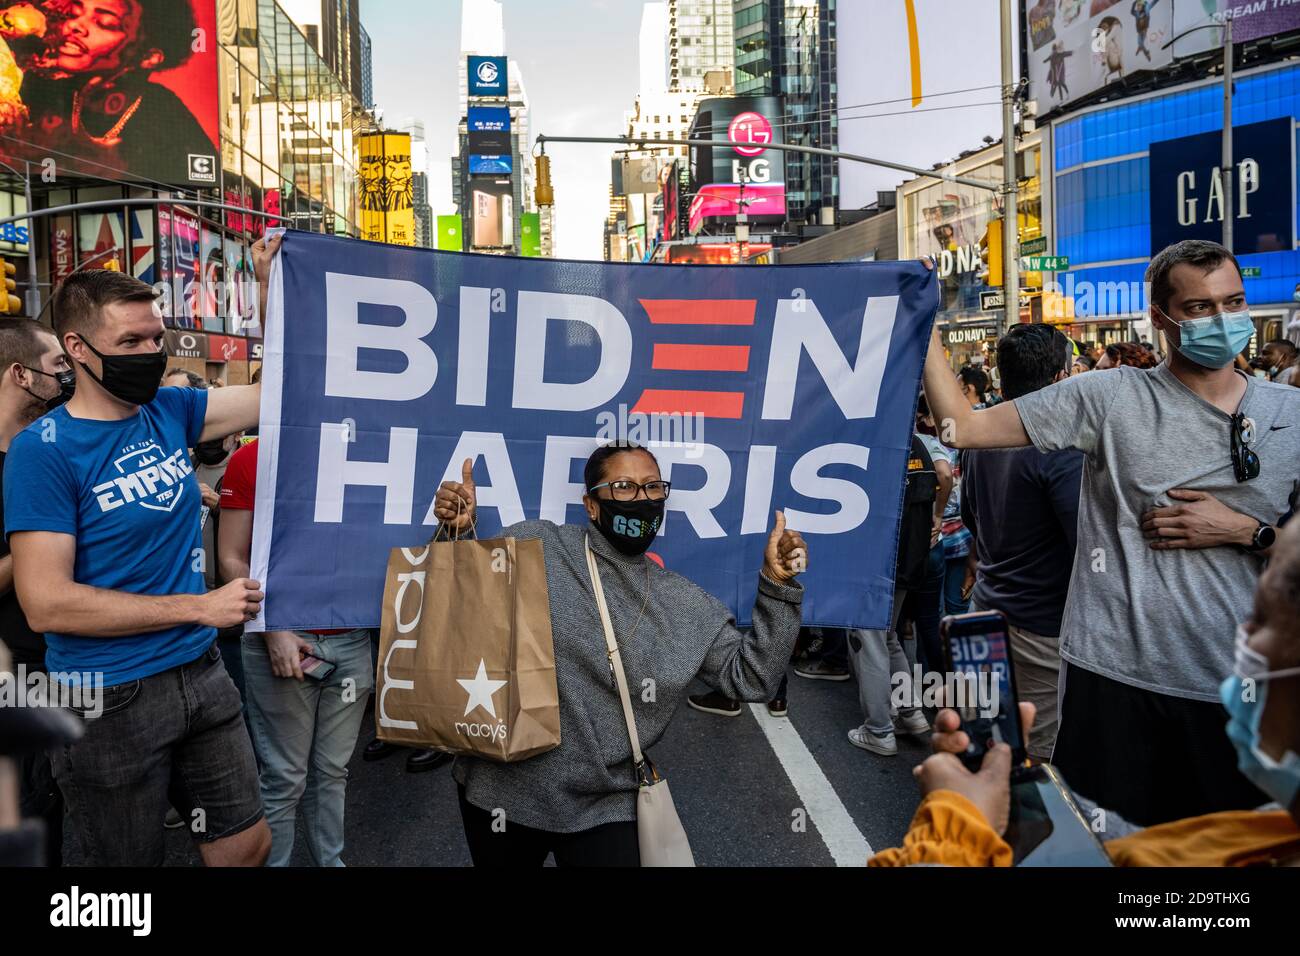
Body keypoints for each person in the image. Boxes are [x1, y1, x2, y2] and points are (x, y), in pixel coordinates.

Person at [920, 239, 1300, 826]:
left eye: (1234, 302)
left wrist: (1247, 531)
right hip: (1115, 679)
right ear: (1161, 319)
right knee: (1106, 850)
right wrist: (925, 325)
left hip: (1244, 690)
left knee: (1225, 865)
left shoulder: (1291, 413)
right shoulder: (1108, 396)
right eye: (1199, 308)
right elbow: (961, 428)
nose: (1223, 320)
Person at [3, 236, 280, 866]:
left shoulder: (168, 410)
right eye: (130, 343)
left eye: (156, 338)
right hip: (108, 698)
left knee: (246, 847)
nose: (150, 353)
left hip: (200, 674)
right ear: (77, 348)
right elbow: (46, 604)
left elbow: (278, 394)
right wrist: (197, 608)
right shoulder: (44, 451)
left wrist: (267, 291)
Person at [435, 442, 807, 866]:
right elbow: (457, 603)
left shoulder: (683, 604)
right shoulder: (535, 545)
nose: (643, 499)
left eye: (653, 487)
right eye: (624, 487)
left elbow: (752, 678)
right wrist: (459, 533)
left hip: (604, 803)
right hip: (499, 791)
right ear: (592, 505)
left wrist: (778, 587)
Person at [871, 518, 1300, 867]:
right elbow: (1133, 853)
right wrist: (1025, 793)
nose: (1242, 631)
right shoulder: (1265, 835)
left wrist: (955, 830)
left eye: (1260, 617)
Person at [217, 438, 373, 867]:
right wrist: (272, 627)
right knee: (285, 778)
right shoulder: (253, 458)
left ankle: (331, 860)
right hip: (282, 641)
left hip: (353, 638)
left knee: (333, 773)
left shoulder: (369, 453)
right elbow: (230, 556)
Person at [960, 324, 1084, 761]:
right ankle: (1010, 827)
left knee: (986, 735)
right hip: (1041, 630)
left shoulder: (980, 437)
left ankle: (978, 819)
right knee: (1033, 757)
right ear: (1059, 379)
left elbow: (971, 519)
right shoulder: (1059, 448)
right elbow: (1084, 545)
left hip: (986, 609)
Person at [0, 316, 73, 865]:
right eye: (58, 368)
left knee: (55, 804)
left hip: (61, 662)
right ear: (21, 376)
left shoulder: (47, 448)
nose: (68, 377)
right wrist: (39, 548)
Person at [0, 0, 215, 185]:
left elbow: (202, 188)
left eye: (106, 23)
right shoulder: (37, 82)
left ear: (149, 57)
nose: (75, 26)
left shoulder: (165, 115)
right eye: (73, 13)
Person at [845, 435, 937, 756]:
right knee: (887, 637)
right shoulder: (916, 446)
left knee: (867, 638)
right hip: (908, 562)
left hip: (877, 563)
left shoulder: (878, 445)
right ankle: (910, 711)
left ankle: (879, 729)